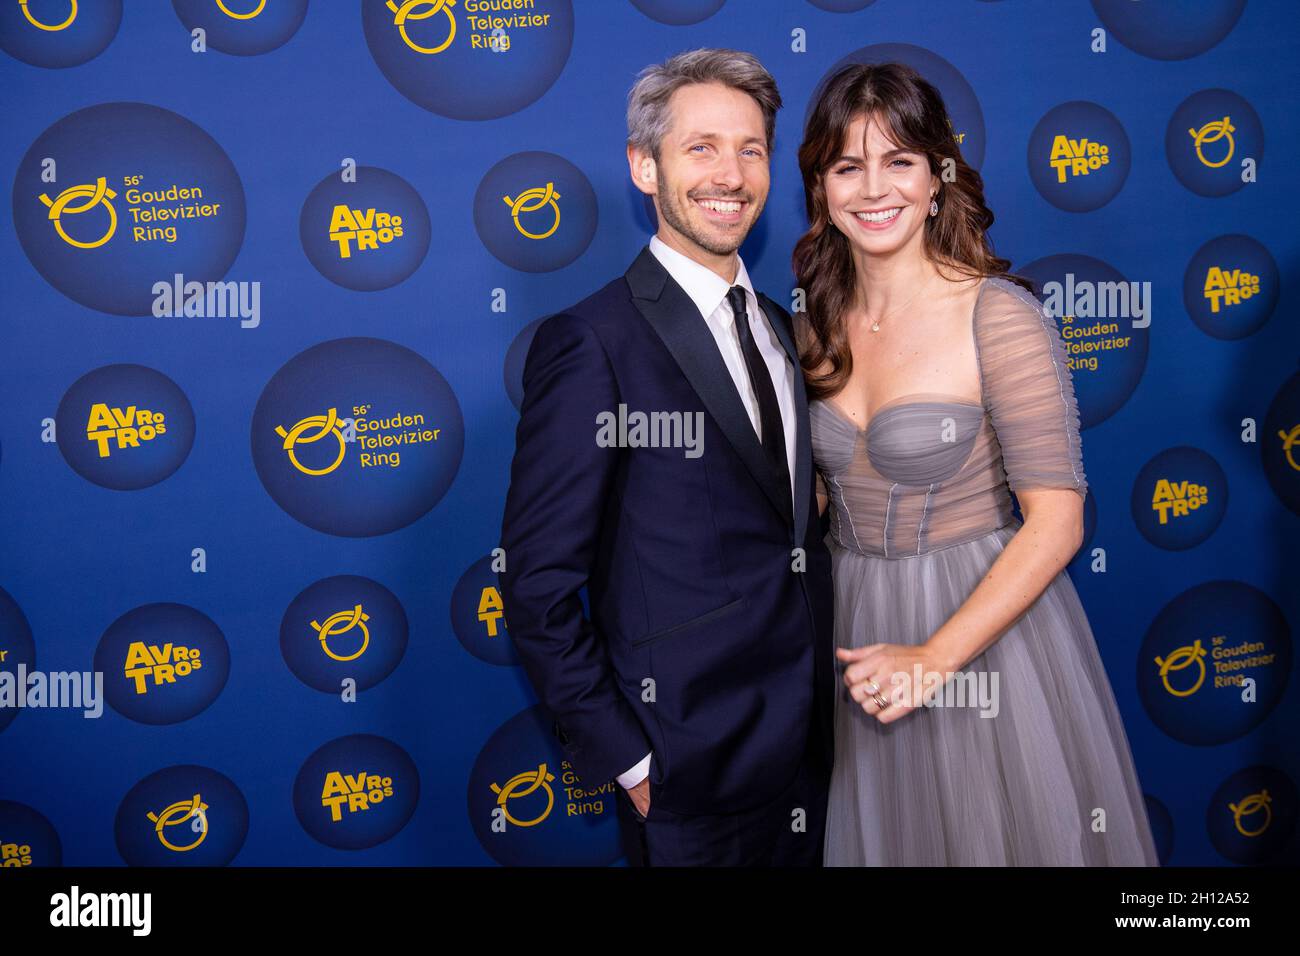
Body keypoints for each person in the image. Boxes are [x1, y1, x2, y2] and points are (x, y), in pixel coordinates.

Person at [794, 62, 1159, 865]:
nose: (873, 188)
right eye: (847, 166)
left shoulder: (1000, 316)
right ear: (821, 187)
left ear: (936, 177)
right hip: (856, 642)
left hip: (983, 642)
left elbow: (1058, 523)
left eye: (899, 161)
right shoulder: (809, 329)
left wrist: (933, 659)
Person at [498, 48, 834, 867]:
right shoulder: (592, 343)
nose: (731, 174)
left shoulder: (786, 330)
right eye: (701, 148)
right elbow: (535, 580)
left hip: (819, 750)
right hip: (689, 771)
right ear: (644, 168)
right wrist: (630, 755)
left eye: (750, 149)